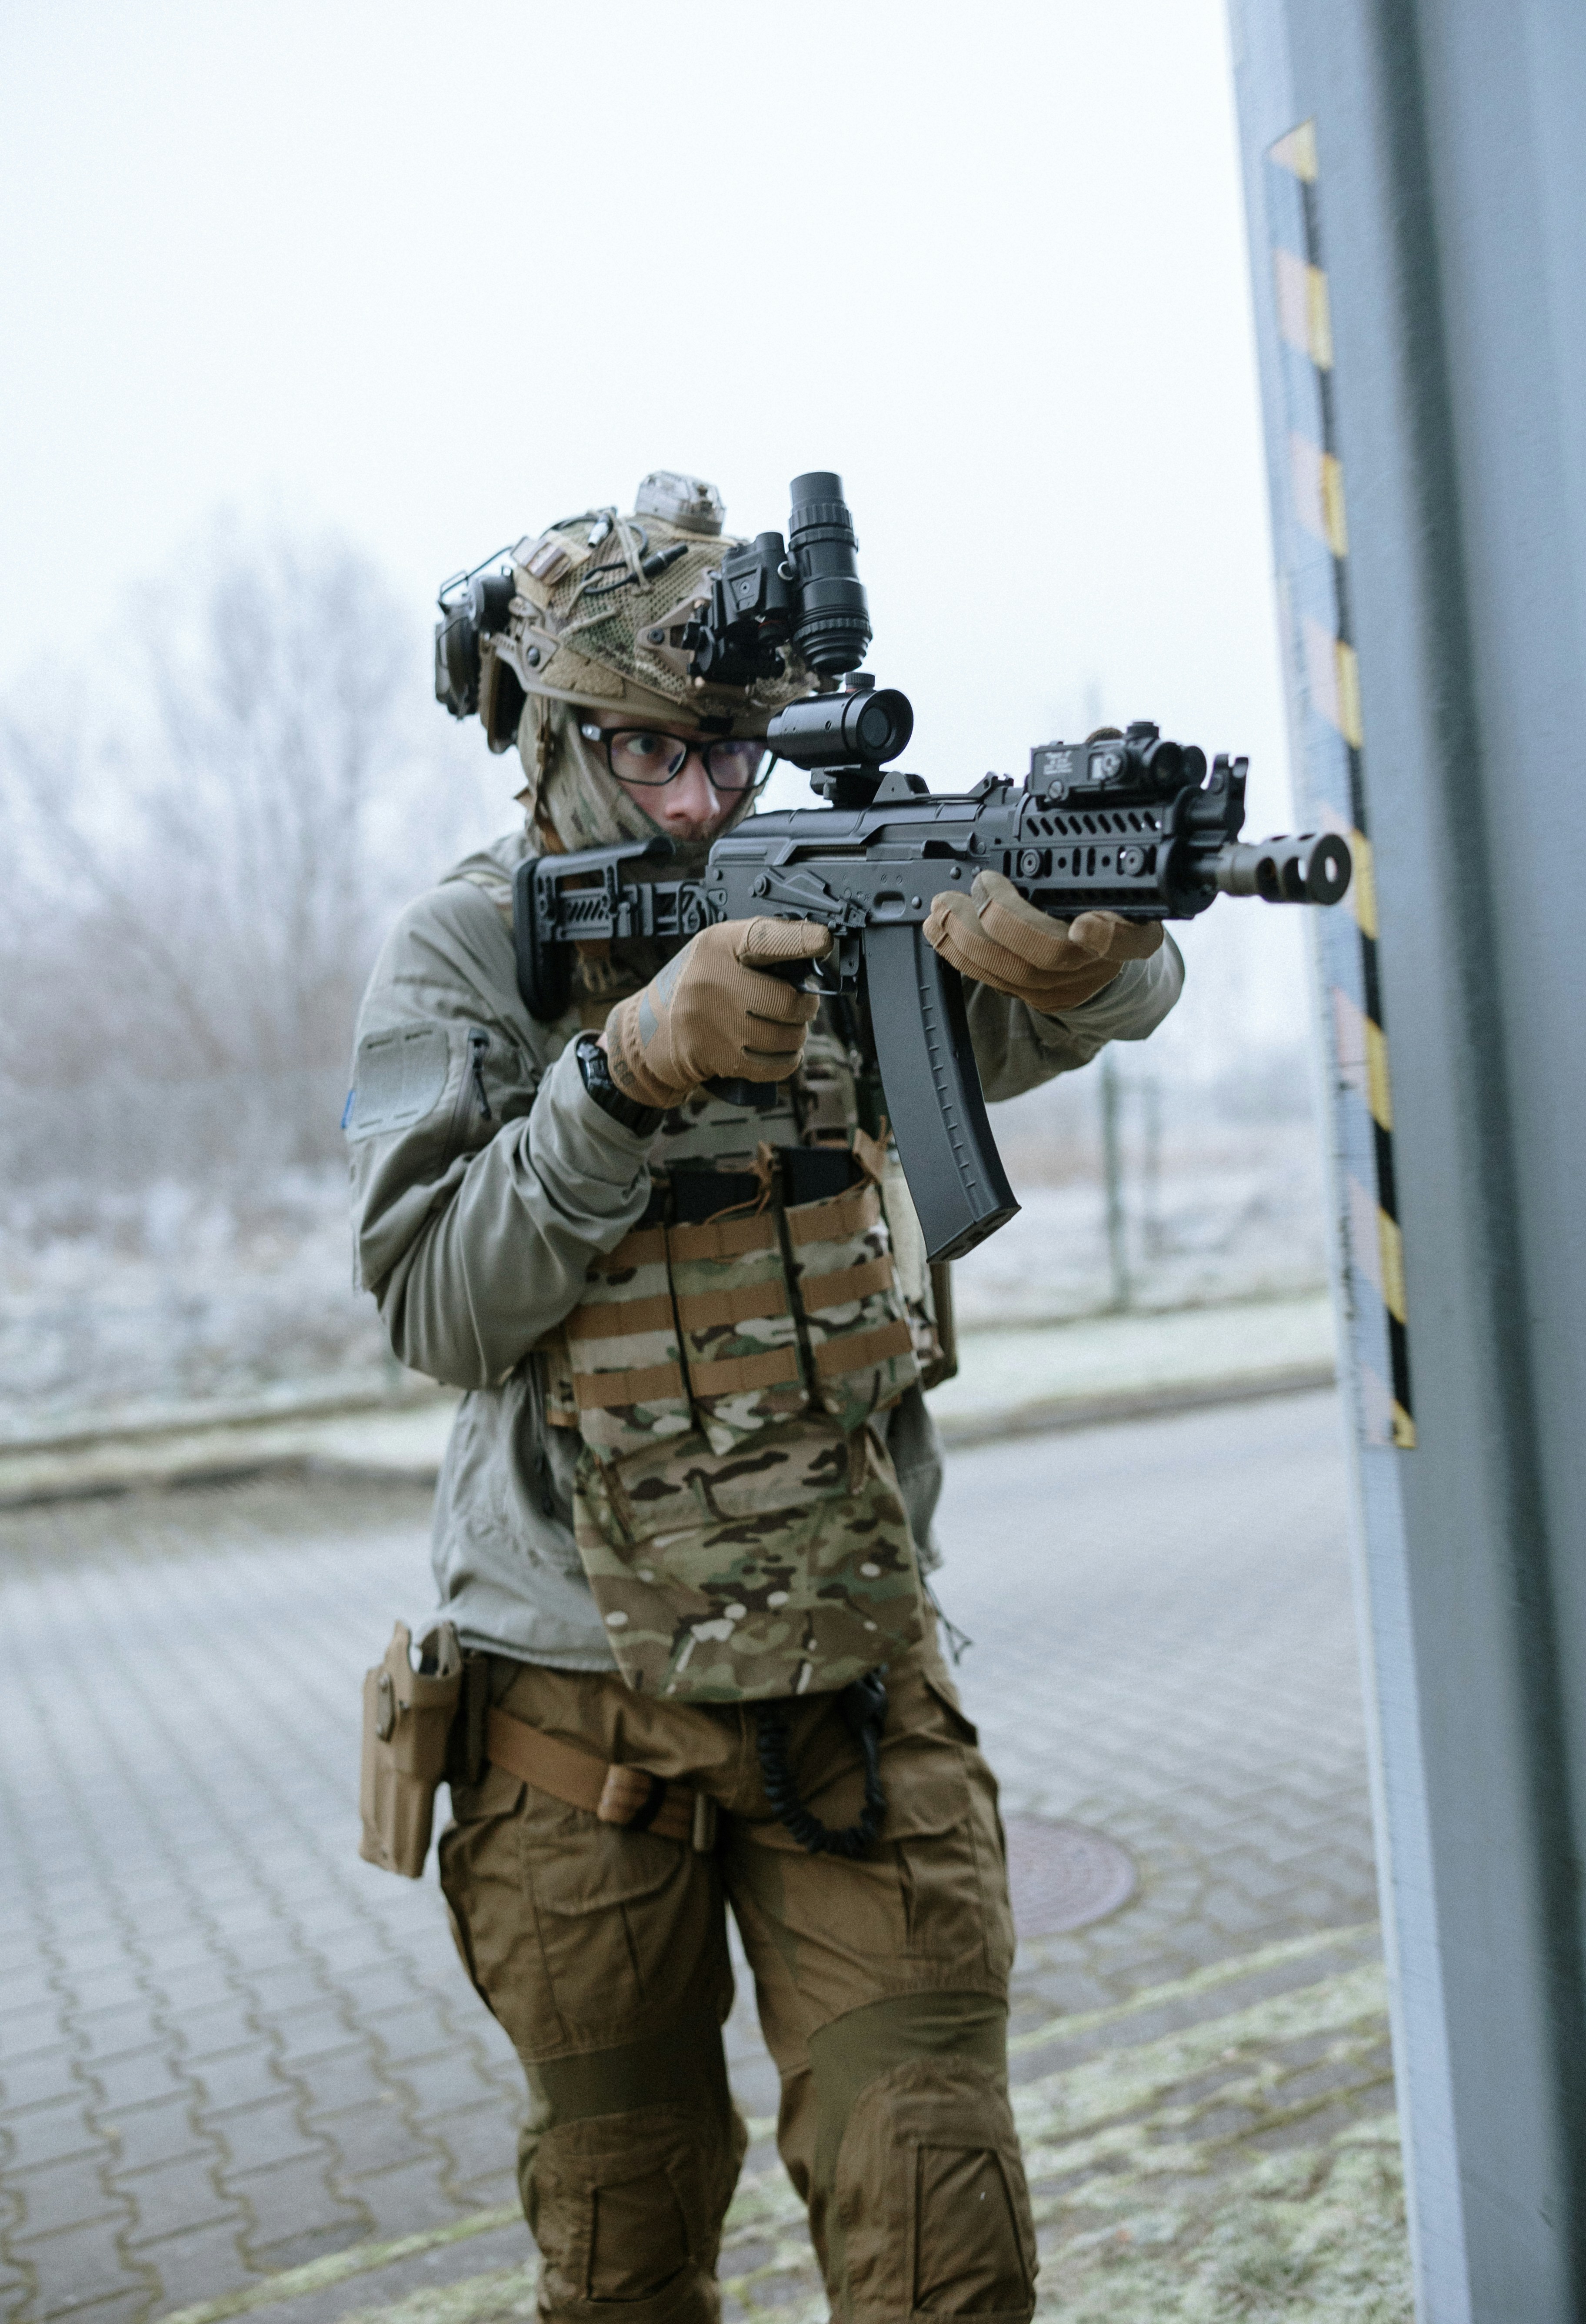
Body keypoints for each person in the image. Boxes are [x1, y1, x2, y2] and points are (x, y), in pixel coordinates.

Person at [347, 471, 1183, 2323]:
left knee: (940, 2244)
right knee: (626, 2251)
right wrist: (620, 1076)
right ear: (558, 741)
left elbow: (1084, 984)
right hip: (579, 1732)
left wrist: (1093, 945)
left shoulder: (840, 904)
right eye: (652, 755)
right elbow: (430, 1302)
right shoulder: (473, 947)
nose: (702, 799)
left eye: (729, 758)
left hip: (854, 1697)